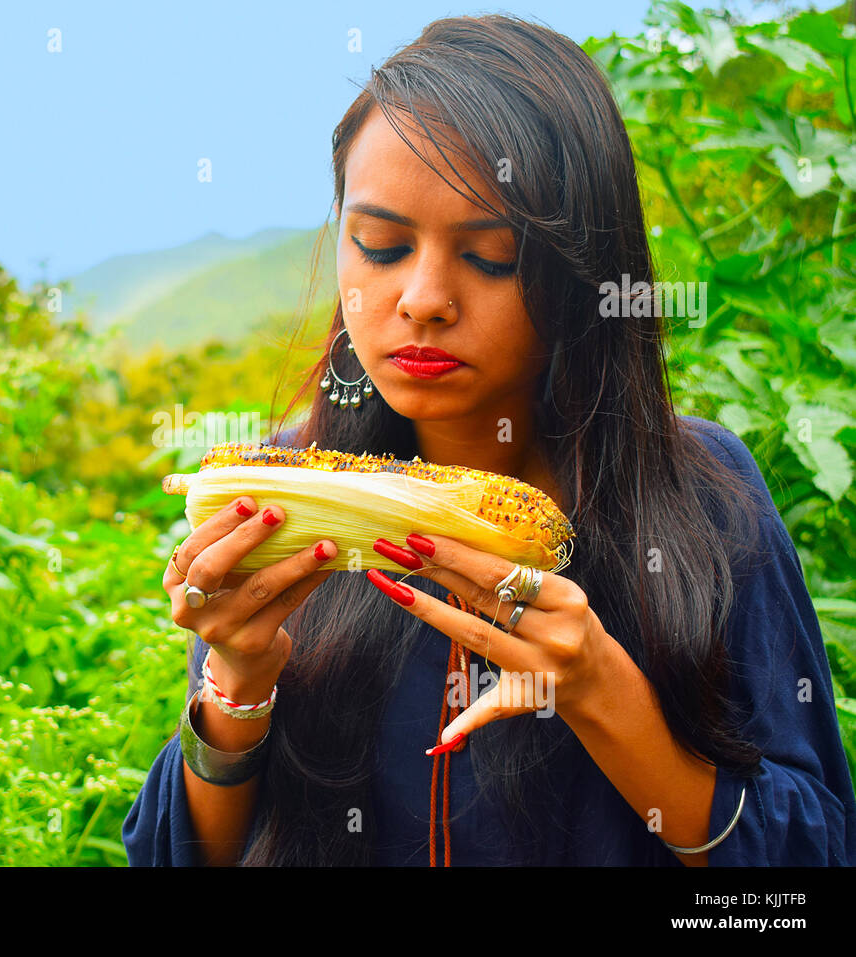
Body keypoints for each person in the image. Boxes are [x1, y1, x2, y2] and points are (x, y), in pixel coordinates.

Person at [122, 14, 856, 866]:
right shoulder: (283, 498)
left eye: (492, 257)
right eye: (380, 244)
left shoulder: (701, 496)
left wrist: (603, 695)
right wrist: (235, 686)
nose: (424, 298)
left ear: (582, 269)